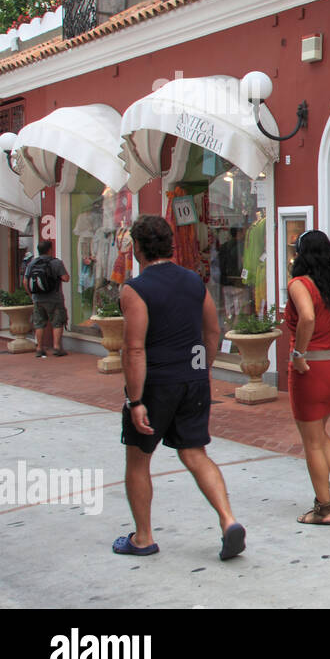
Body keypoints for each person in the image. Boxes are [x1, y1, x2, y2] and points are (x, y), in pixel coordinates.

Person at [116, 215, 245, 560]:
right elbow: (212, 331)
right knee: (195, 453)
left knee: (139, 460)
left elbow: (134, 348)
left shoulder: (135, 289)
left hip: (156, 383)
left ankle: (143, 538)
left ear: (139, 248)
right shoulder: (193, 282)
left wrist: (135, 400)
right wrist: (203, 369)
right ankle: (228, 520)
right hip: (193, 379)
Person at [285, 230, 330, 525]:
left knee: (311, 441)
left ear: (302, 254)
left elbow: (307, 317)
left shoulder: (299, 284)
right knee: (320, 432)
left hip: (311, 369)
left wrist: (298, 354)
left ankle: (323, 508)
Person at [25, 240, 70, 358]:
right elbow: (66, 278)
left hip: (37, 299)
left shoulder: (32, 263)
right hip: (54, 298)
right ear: (50, 250)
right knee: (57, 322)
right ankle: (56, 347)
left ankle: (39, 348)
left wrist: (31, 295)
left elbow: (25, 281)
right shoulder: (56, 263)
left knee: (39, 323)